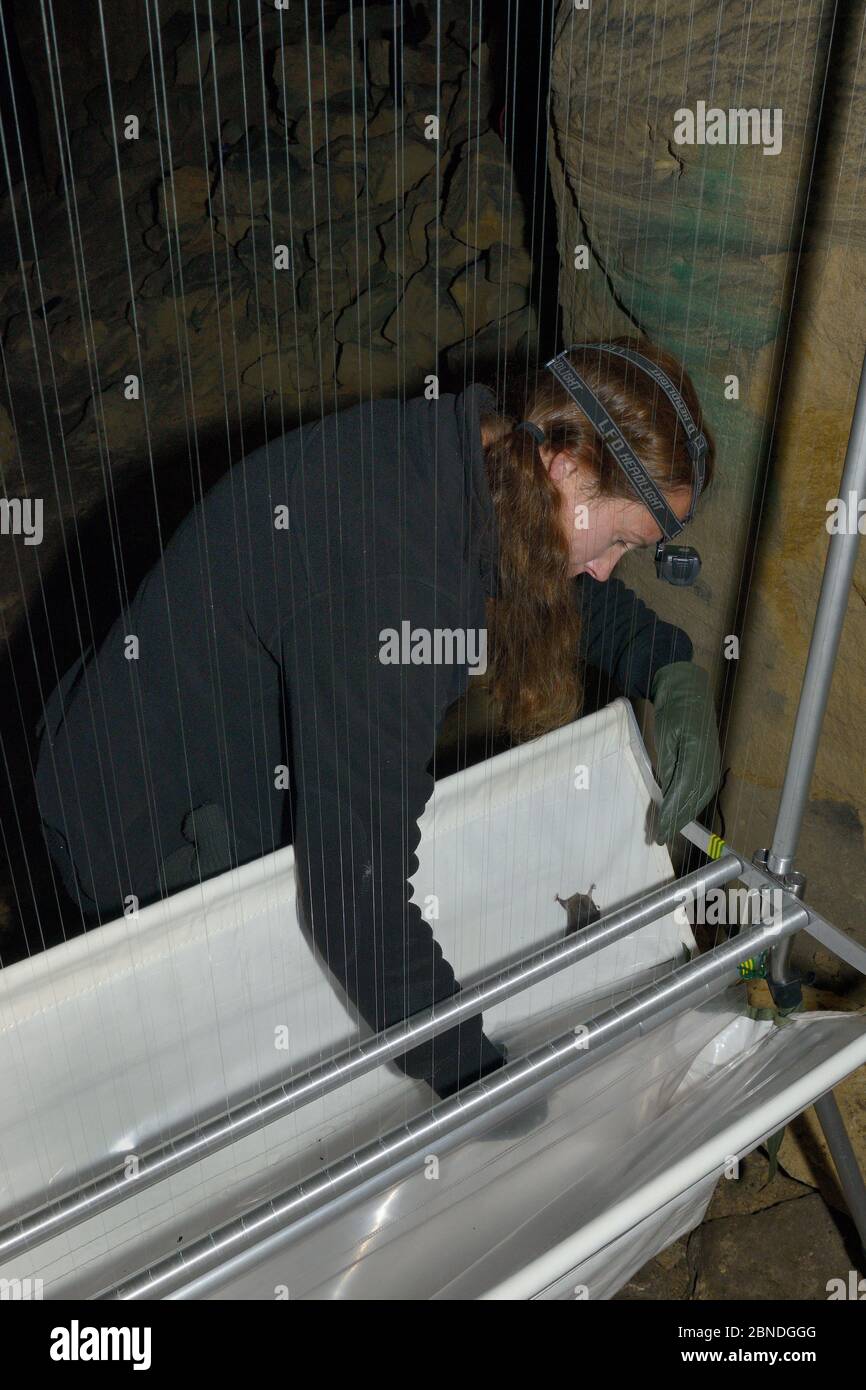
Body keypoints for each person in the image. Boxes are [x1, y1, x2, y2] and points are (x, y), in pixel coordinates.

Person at [34, 335, 721, 1103]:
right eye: (622, 539)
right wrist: (477, 1078)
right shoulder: (398, 590)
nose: (605, 567)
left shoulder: (478, 452)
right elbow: (354, 899)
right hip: (143, 819)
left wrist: (666, 662)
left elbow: (551, 566)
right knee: (217, 1071)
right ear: (565, 465)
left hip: (206, 739)